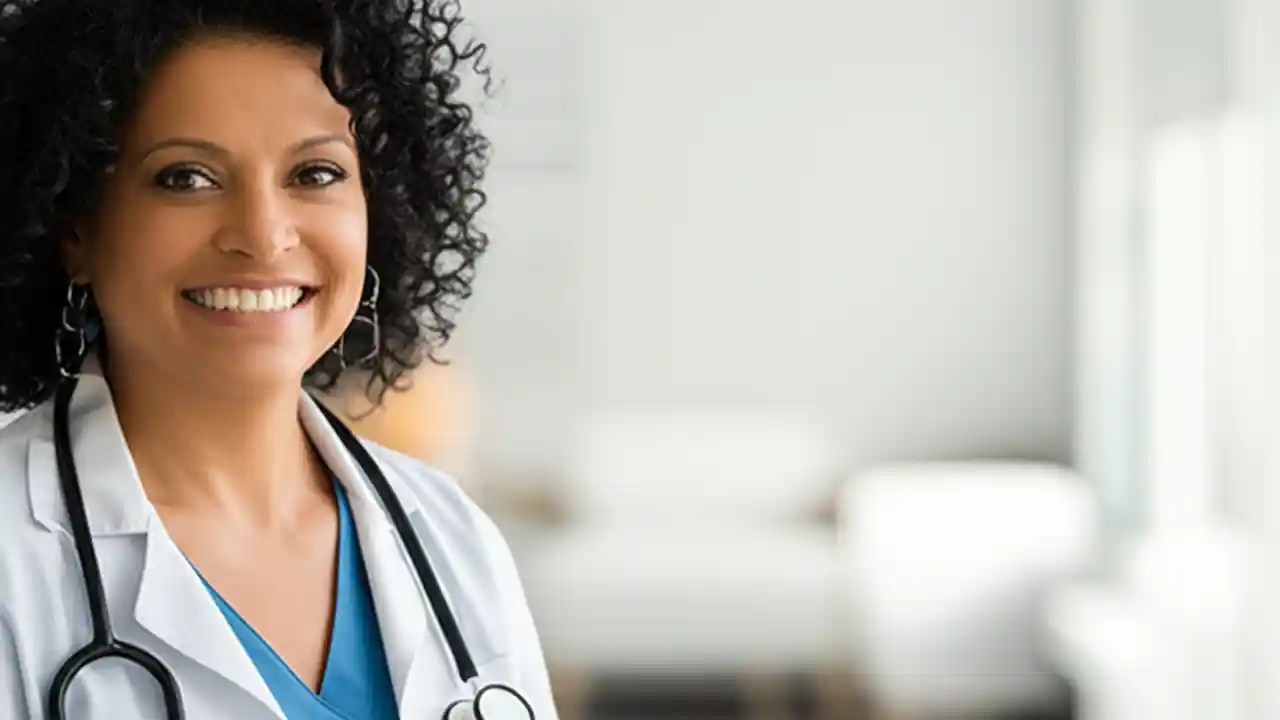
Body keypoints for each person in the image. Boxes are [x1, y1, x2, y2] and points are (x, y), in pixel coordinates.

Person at [0, 1, 557, 718]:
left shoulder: (452, 541)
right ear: (74, 229)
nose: (263, 236)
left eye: (316, 173)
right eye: (186, 178)